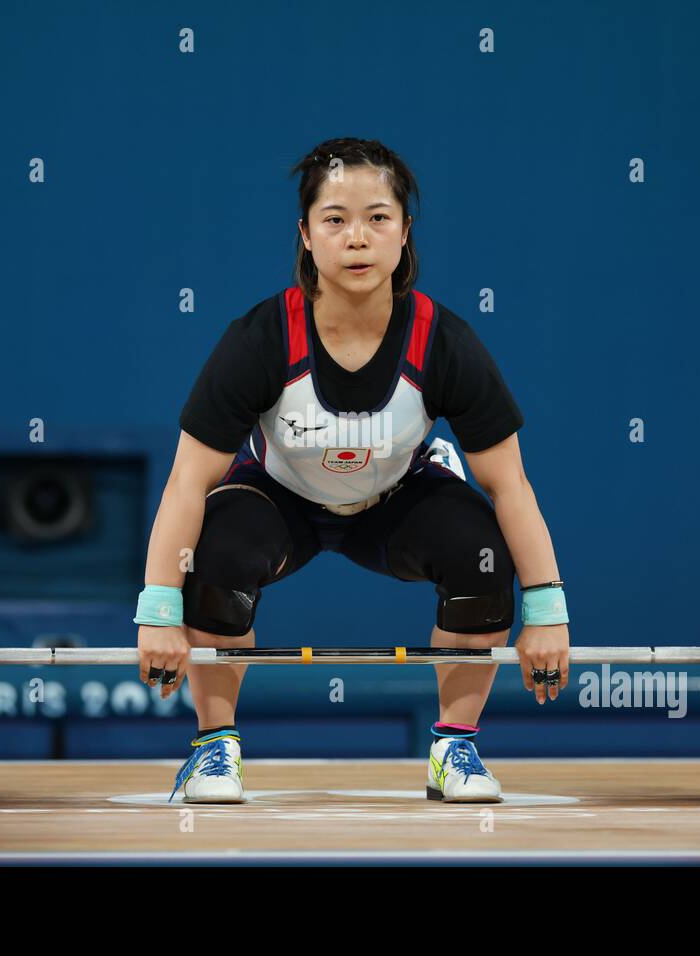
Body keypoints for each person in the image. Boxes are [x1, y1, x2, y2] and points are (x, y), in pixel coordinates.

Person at [134, 137, 570, 804]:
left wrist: (547, 611)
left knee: (482, 551)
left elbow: (510, 484)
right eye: (335, 219)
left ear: (405, 233)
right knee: (215, 547)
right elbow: (186, 483)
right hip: (278, 499)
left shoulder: (444, 342)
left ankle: (455, 744)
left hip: (396, 500)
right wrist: (158, 611)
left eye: (377, 218)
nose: (357, 238)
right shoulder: (259, 339)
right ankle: (213, 748)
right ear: (306, 235)